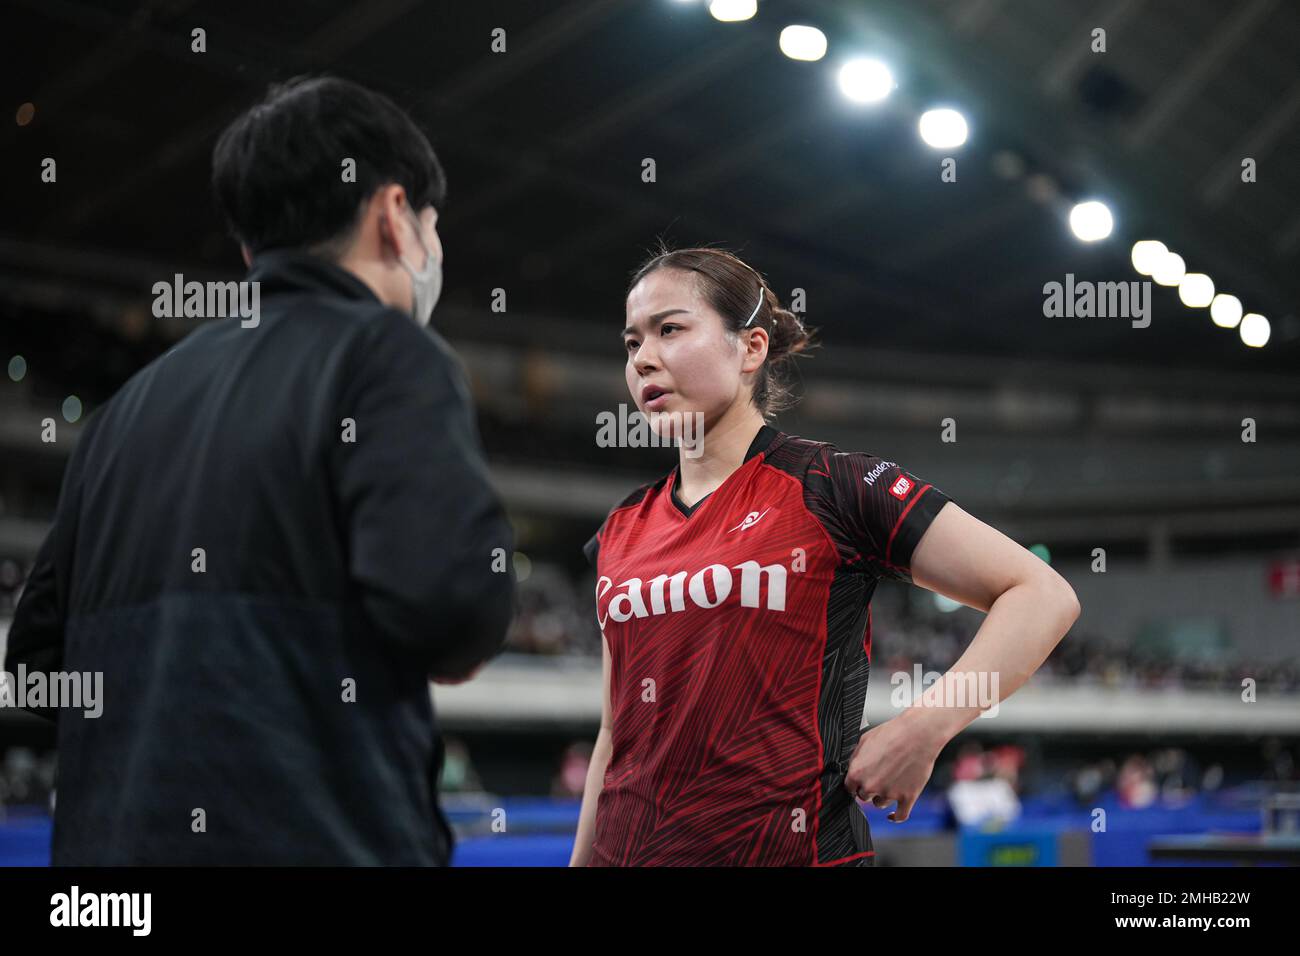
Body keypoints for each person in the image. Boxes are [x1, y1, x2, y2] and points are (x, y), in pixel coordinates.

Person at [4, 76, 514, 864]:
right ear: (393, 215)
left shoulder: (125, 410)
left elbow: (35, 662)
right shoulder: (388, 354)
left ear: (250, 248)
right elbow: (451, 613)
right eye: (432, 223)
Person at [569, 245, 1080, 866]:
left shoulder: (835, 485)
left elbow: (1042, 594)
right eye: (631, 344)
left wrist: (925, 728)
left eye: (670, 329)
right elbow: (612, 734)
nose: (644, 358)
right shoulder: (621, 528)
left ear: (750, 348)